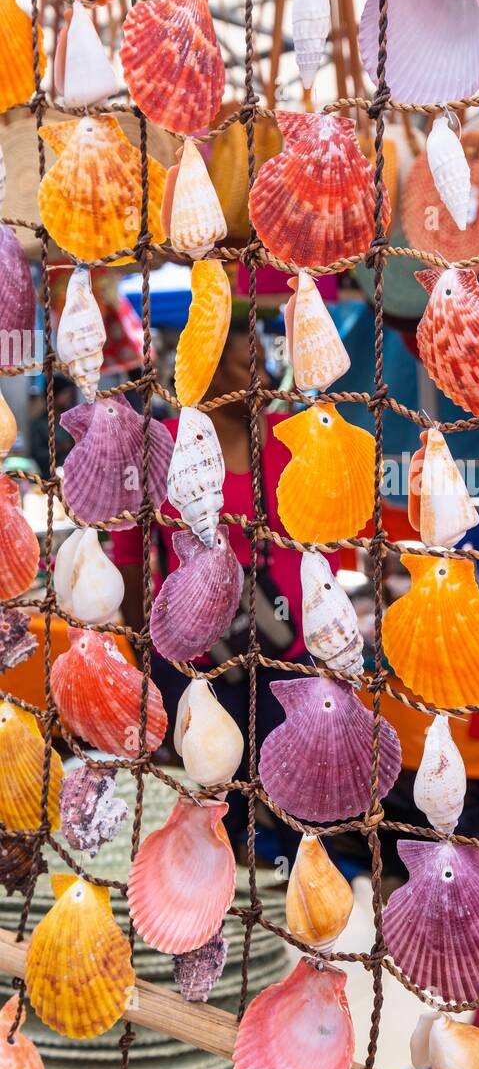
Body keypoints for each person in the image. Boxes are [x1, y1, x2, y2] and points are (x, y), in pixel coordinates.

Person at [113, 318, 336, 858]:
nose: (263, 373)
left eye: (264, 359)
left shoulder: (290, 445)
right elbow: (128, 557)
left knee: (296, 804)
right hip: (193, 663)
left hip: (287, 659)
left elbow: (320, 549)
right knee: (209, 807)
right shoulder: (160, 446)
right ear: (209, 373)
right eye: (247, 362)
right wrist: (153, 650)